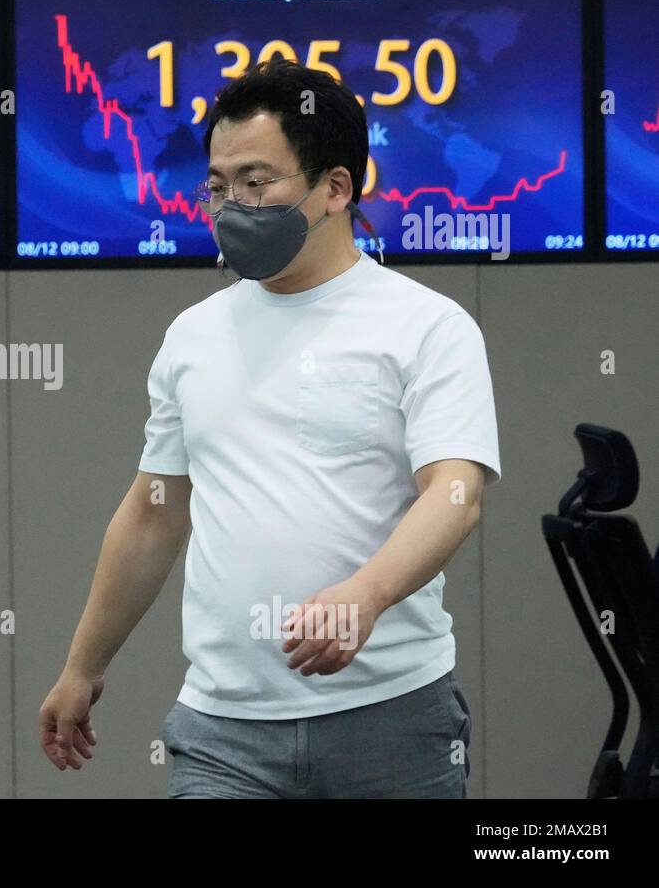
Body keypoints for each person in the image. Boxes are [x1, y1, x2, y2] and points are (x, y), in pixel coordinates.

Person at [38, 60, 501, 798]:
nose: (231, 206)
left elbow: (455, 494)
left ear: (337, 188)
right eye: (217, 187)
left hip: (393, 719)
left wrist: (368, 594)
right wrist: (82, 668)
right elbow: (155, 515)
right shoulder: (193, 336)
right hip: (223, 731)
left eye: (256, 183)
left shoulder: (427, 327)